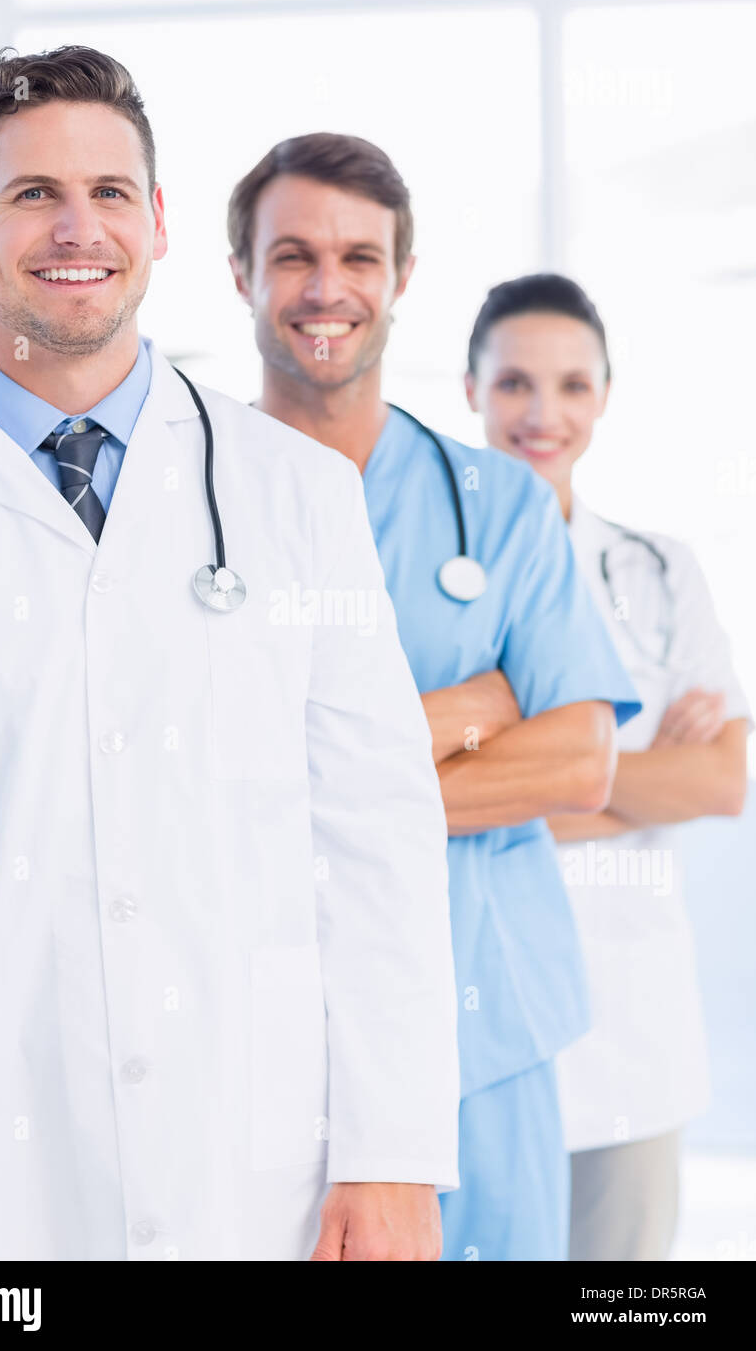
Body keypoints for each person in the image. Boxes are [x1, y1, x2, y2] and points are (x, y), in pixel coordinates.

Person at [0, 47, 463, 1263]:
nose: (76, 226)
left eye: (109, 192)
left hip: (257, 1163)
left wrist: (392, 1152)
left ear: (154, 222)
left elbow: (374, 836)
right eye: (33, 193)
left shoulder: (296, 495)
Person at [228, 133, 641, 1261]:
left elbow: (577, 762)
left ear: (400, 278)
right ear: (239, 274)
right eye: (293, 255)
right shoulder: (194, 502)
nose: (327, 288)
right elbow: (192, 780)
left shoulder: (494, 505)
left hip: (484, 1036)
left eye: (359, 256)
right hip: (260, 1043)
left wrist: (311, 778)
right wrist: (469, 711)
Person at [467, 271, 751, 1261]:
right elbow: (409, 791)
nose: (542, 414)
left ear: (602, 396)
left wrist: (522, 771)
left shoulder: (659, 568)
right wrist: (633, 773)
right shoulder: (422, 566)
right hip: (476, 1027)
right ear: (470, 389)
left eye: (571, 386)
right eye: (513, 384)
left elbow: (719, 780)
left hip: (632, 1033)